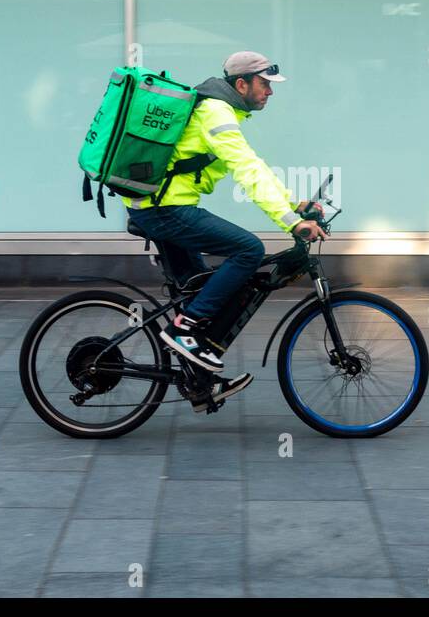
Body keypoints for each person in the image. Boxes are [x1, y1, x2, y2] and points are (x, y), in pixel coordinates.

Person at [123, 51, 328, 410]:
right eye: (265, 84)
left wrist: (292, 204)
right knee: (248, 249)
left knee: (199, 288)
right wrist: (291, 222)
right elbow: (246, 169)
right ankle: (183, 331)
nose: (270, 92)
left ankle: (198, 386)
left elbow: (254, 167)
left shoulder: (222, 110)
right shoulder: (215, 112)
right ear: (241, 84)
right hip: (164, 209)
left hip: (163, 205)